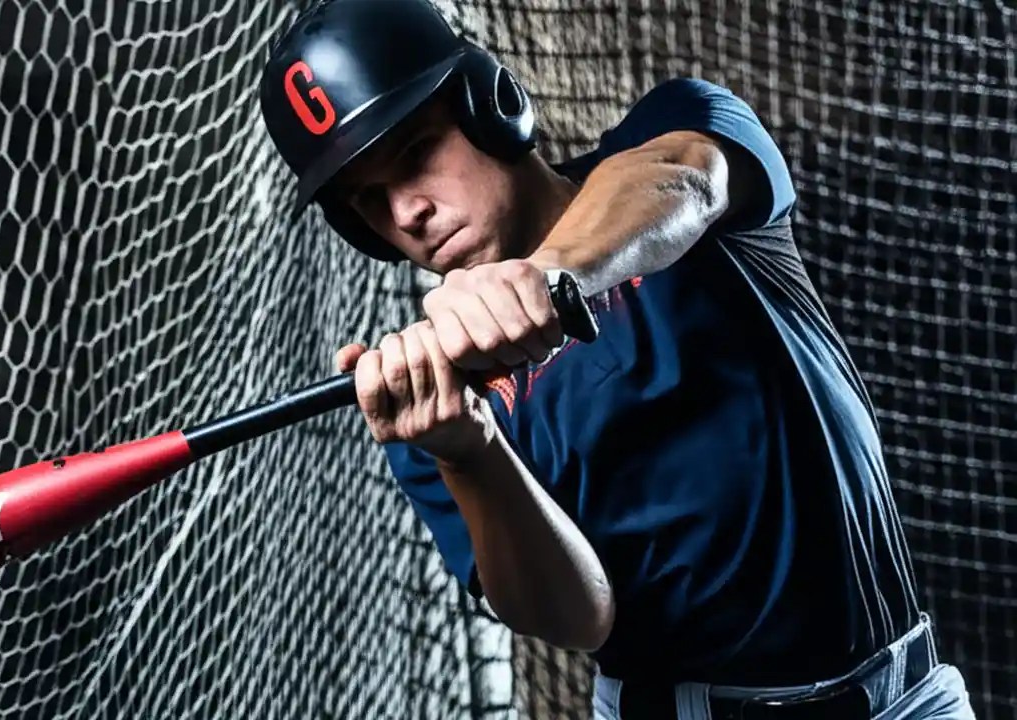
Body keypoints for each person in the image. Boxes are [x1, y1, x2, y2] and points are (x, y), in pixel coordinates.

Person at [258, 1, 974, 718]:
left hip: (907, 696)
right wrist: (471, 451)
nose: (407, 213)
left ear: (490, 105)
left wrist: (548, 278)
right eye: (370, 201)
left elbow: (689, 176)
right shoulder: (434, 411)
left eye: (416, 154)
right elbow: (577, 619)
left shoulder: (676, 132)